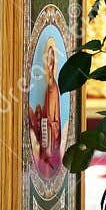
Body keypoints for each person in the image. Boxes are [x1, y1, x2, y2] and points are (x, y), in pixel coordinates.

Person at [29, 39, 64, 178]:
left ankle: (48, 171)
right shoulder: (50, 85)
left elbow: (55, 117)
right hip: (47, 127)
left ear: (54, 63)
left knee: (48, 156)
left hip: (51, 130)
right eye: (47, 61)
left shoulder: (53, 87)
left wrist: (49, 123)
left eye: (51, 61)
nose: (49, 65)